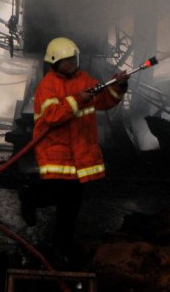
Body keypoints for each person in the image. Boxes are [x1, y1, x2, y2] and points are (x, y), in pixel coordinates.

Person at [20, 37, 129, 262]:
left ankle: (61, 247)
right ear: (55, 62)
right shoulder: (48, 85)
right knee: (53, 194)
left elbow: (105, 101)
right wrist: (78, 99)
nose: (73, 63)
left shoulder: (85, 80)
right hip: (57, 154)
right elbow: (52, 116)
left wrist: (118, 86)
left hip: (79, 155)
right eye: (67, 60)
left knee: (70, 206)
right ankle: (29, 197)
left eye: (74, 59)